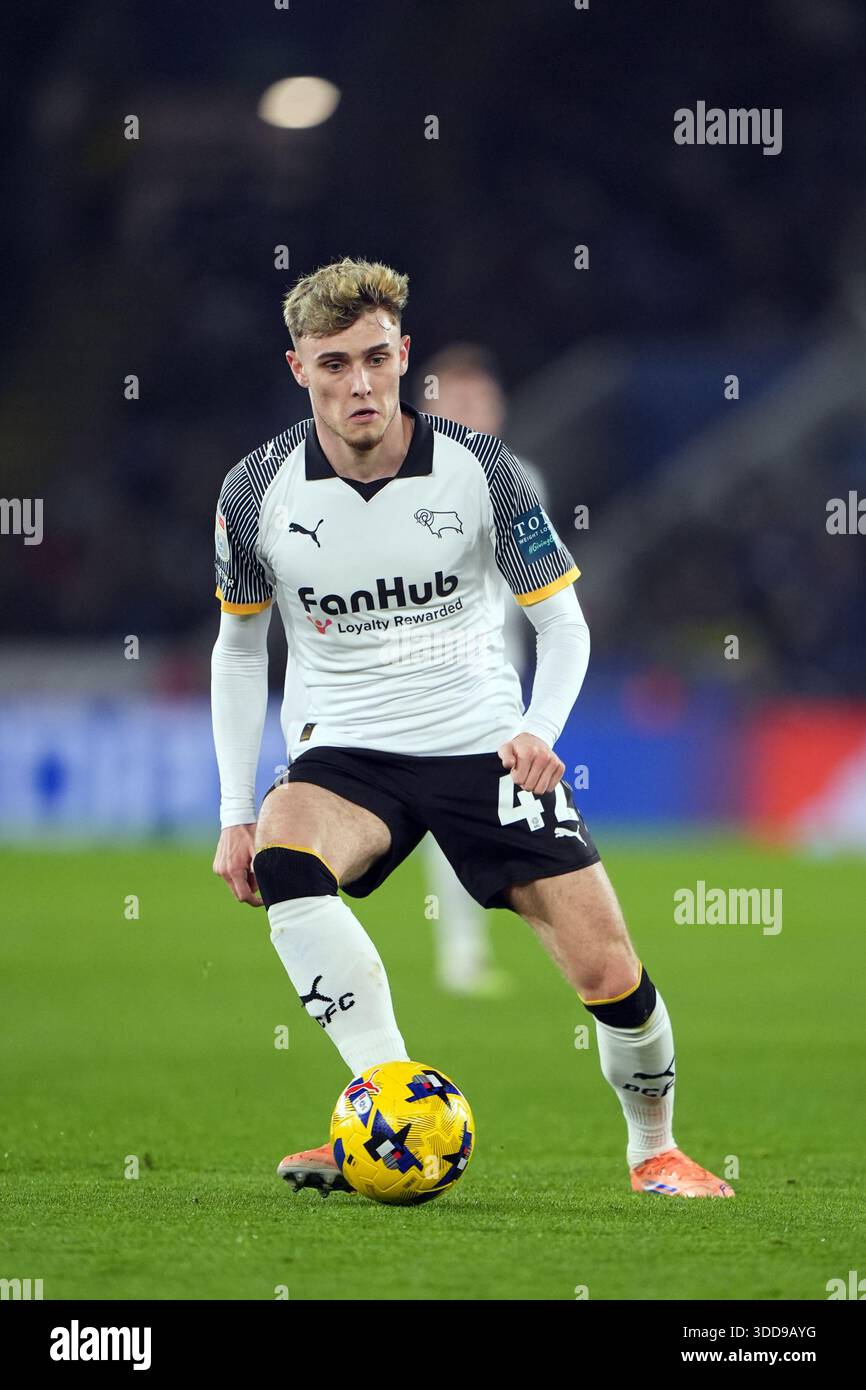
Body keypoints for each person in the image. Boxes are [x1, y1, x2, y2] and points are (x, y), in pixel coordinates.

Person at [210, 256, 734, 1200]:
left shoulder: (482, 469)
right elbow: (240, 651)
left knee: (609, 972)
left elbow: (562, 620)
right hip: (347, 751)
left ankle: (654, 1148)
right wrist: (234, 809)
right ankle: (379, 1109)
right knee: (288, 852)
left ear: (404, 355)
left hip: (482, 743)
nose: (359, 384)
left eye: (376, 358)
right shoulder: (254, 493)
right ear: (299, 369)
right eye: (334, 365)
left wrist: (539, 728)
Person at [412, 342, 549, 996]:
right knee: (453, 816)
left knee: (507, 814)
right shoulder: (400, 480)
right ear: (428, 404)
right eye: (456, 398)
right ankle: (460, 953)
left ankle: (487, 946)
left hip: (500, 679)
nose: (471, 410)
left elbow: (542, 595)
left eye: (480, 398)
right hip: (419, 674)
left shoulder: (521, 477)